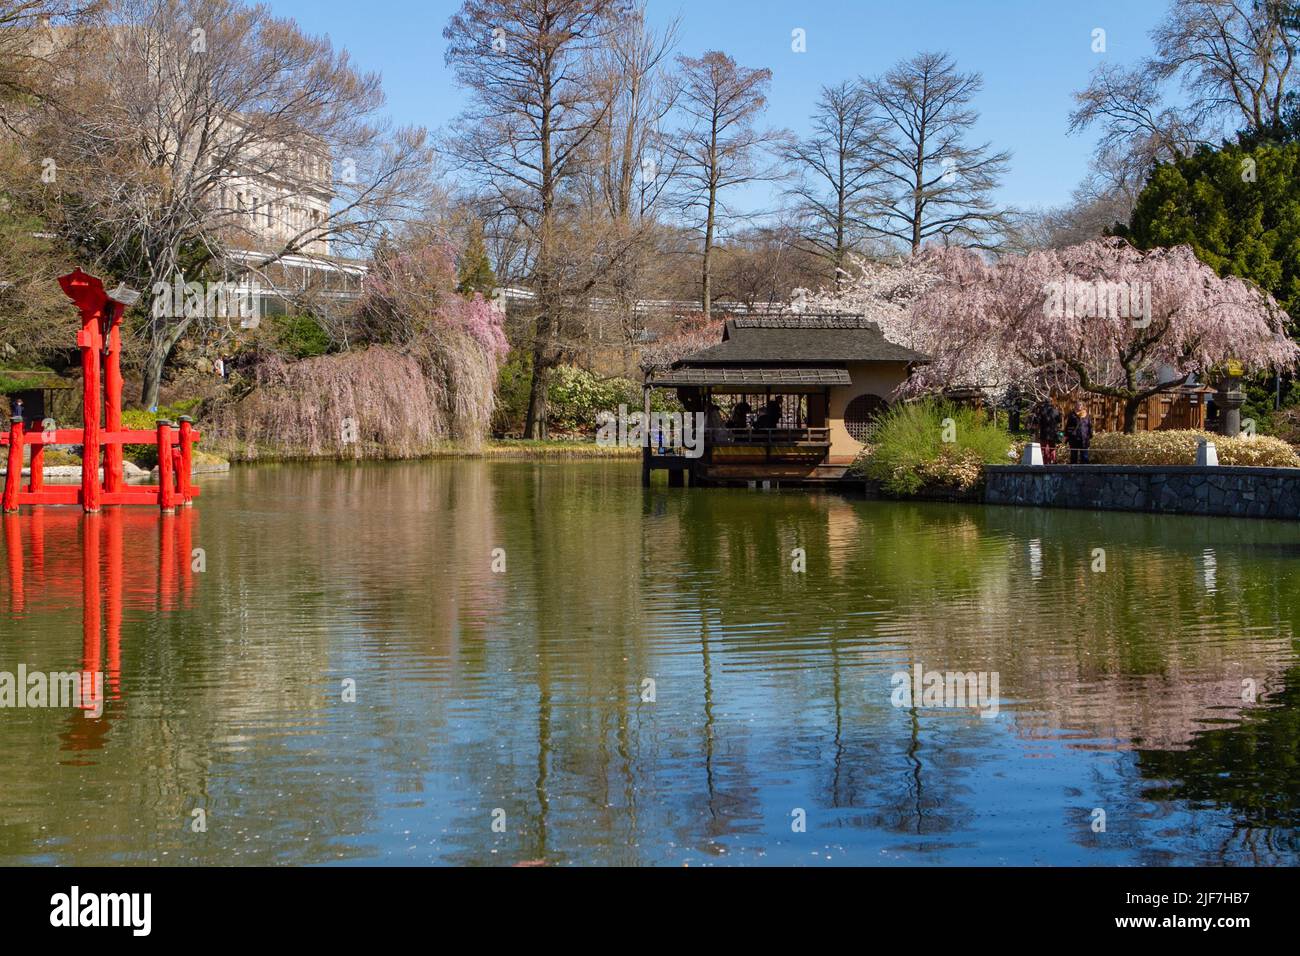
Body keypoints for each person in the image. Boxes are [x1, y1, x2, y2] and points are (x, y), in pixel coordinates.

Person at [1034, 400, 1062, 464]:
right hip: (1053, 432)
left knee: (1045, 448)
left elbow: (1037, 421)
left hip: (1044, 432)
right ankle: (1053, 461)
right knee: (1052, 447)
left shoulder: (1041, 411)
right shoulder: (1055, 411)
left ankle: (1046, 462)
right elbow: (1059, 421)